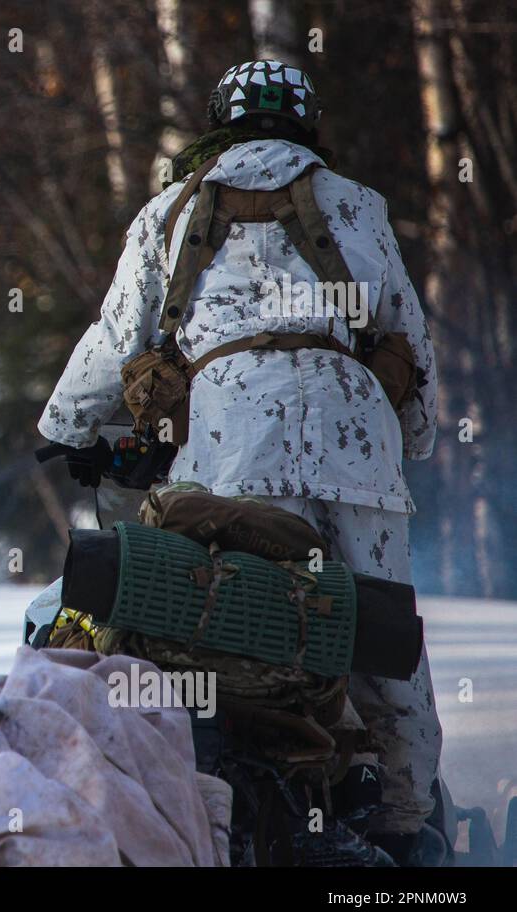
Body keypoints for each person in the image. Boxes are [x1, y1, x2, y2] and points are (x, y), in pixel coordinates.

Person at [38, 60, 441, 861]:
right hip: (354, 423)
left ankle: (234, 796)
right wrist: (417, 441)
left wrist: (66, 426)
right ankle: (405, 825)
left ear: (219, 122)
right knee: (378, 628)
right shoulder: (357, 204)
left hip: (229, 430)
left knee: (226, 614)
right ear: (307, 125)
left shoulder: (173, 211)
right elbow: (410, 339)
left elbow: (119, 338)